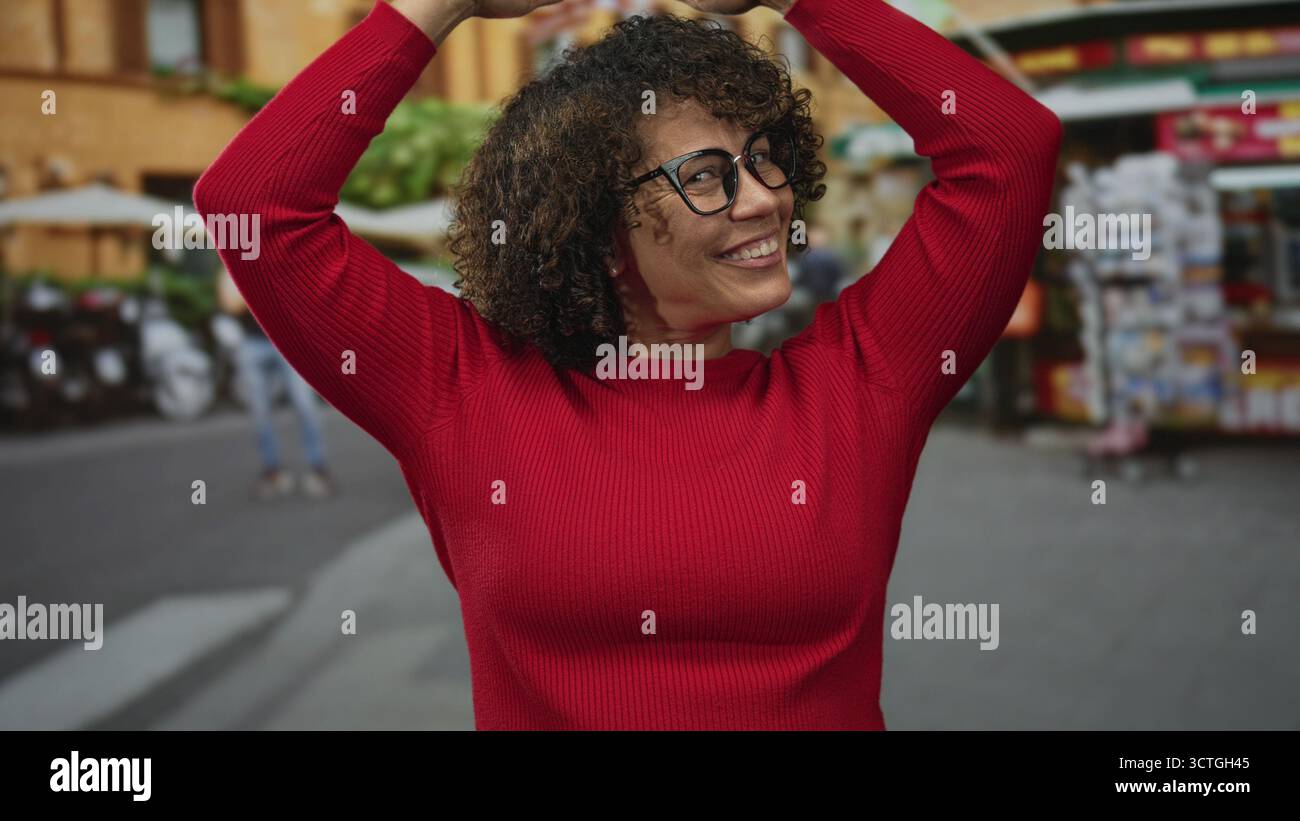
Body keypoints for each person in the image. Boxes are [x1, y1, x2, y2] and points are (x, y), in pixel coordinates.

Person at [193, 0, 1061, 729]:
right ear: (601, 237)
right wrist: (432, 6)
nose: (765, 198)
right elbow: (252, 204)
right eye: (710, 176)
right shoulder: (460, 390)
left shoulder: (863, 381)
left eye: (766, 159)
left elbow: (1009, 150)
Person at [216, 267, 337, 500]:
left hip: (289, 340)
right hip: (252, 343)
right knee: (259, 412)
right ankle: (272, 472)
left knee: (305, 406)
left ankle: (318, 469)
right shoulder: (233, 257)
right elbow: (230, 302)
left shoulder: (282, 251)